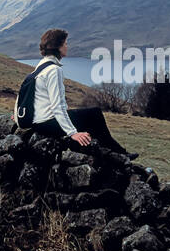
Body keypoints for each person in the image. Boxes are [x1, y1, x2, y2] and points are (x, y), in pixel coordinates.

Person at [22, 28, 138, 160]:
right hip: (47, 123)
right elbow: (57, 106)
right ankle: (118, 153)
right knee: (94, 114)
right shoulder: (54, 70)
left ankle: (109, 151)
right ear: (58, 46)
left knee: (87, 117)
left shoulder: (42, 66)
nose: (67, 46)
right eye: (65, 43)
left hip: (39, 121)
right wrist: (72, 133)